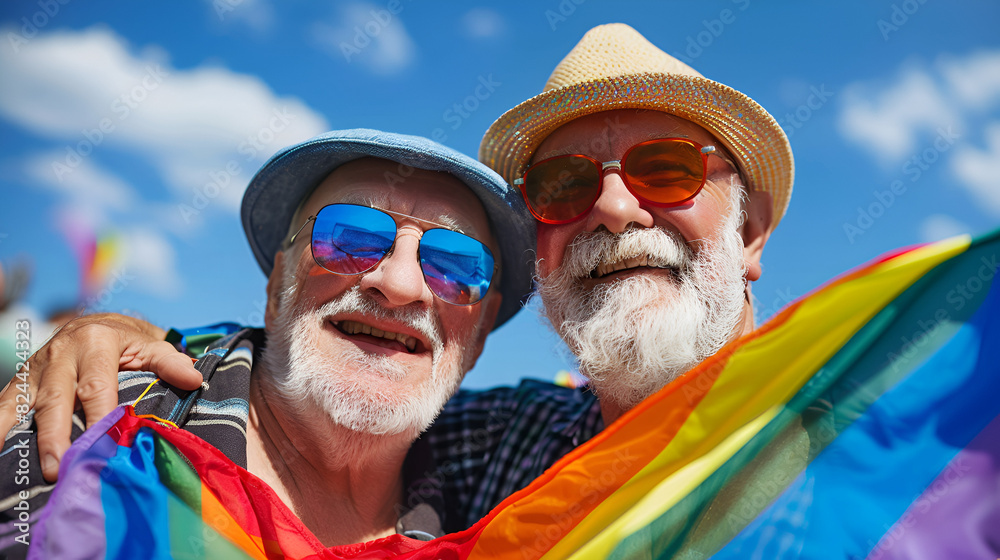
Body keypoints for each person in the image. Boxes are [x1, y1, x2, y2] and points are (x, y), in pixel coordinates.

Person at [1, 23, 793, 532]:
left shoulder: (882, 420)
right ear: (277, 275)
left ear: (751, 231)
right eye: (562, 188)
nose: (402, 284)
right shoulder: (104, 433)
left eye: (667, 169)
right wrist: (113, 336)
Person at [0, 128, 536, 548]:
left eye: (453, 264)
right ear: (278, 287)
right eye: (350, 237)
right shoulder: (99, 423)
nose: (397, 284)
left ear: (481, 333)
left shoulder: (495, 498)